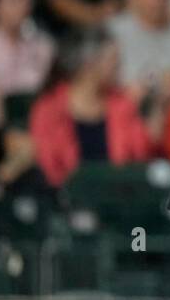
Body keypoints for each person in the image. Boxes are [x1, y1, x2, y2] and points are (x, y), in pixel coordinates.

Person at [27, 33, 157, 187]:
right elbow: (49, 166)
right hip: (66, 198)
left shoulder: (122, 105)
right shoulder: (49, 109)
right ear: (89, 64)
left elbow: (141, 156)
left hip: (120, 195)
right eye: (113, 59)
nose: (119, 66)